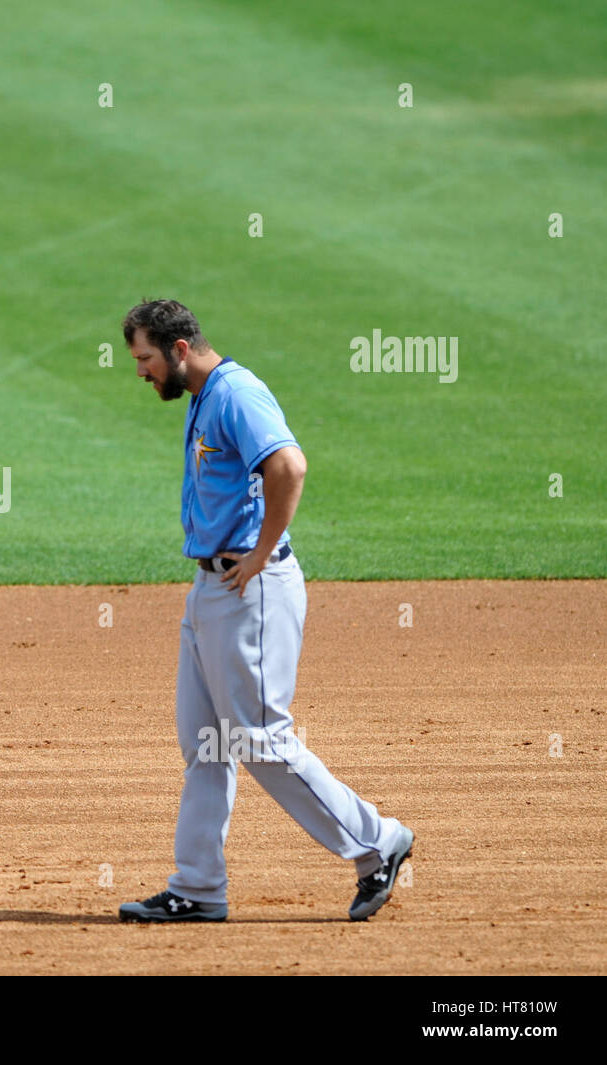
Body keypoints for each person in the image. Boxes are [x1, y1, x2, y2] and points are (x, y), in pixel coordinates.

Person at [116, 298, 414, 923]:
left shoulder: (235, 393)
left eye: (144, 358)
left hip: (248, 589)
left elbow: (289, 465)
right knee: (206, 744)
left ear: (177, 349)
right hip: (211, 591)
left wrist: (259, 552)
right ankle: (197, 888)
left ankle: (377, 842)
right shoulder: (204, 395)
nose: (140, 371)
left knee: (260, 740)